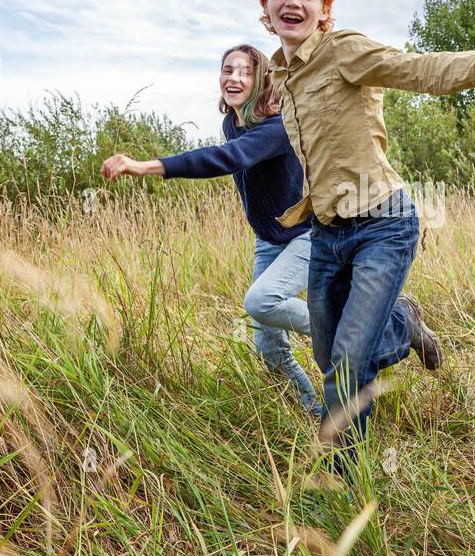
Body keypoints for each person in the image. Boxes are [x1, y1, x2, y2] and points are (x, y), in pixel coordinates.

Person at [257, 0, 475, 455]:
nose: (294, 3)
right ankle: (405, 322)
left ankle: (344, 474)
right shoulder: (282, 78)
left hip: (383, 223)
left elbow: (421, 70)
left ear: (323, 8)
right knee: (324, 350)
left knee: (348, 361)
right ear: (266, 8)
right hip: (328, 233)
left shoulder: (343, 51)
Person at [101, 44, 320, 415]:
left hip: (304, 237)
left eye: (244, 72)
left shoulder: (278, 125)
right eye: (227, 70)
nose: (233, 78)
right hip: (269, 240)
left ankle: (347, 326)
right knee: (268, 347)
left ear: (261, 79)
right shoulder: (231, 122)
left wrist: (146, 165)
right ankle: (316, 414)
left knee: (260, 302)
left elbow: (228, 158)